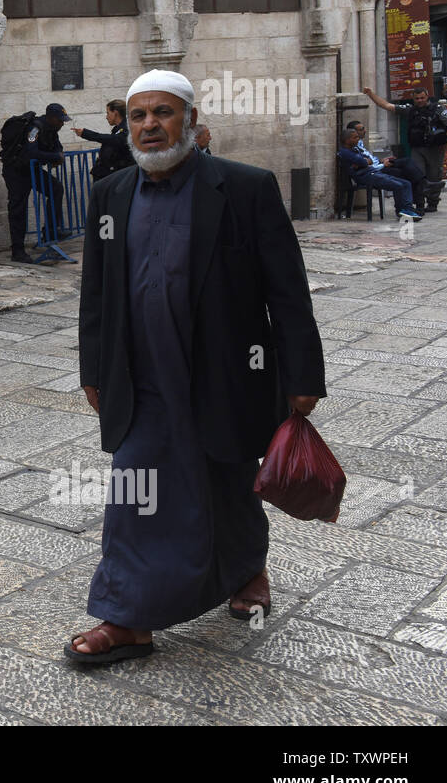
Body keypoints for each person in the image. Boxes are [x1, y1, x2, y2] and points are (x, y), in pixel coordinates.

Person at [70, 69, 325, 664]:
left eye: (163, 113)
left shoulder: (244, 188)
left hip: (230, 370)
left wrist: (302, 375)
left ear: (189, 120)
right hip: (141, 377)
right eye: (138, 115)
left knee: (228, 479)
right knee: (135, 490)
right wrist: (93, 366)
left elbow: (286, 291)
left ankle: (245, 572)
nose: (150, 125)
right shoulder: (111, 193)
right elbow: (97, 292)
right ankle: (126, 617)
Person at [364, 85, 447, 212]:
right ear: (413, 99)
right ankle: (419, 203)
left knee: (434, 176)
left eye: (422, 98)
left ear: (427, 96)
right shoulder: (410, 110)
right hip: (417, 148)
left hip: (435, 148)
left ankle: (433, 203)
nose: (420, 100)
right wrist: (370, 94)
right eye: (417, 98)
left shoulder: (438, 109)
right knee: (417, 175)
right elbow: (387, 106)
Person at [0, 102, 67, 261]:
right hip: (16, 171)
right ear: (51, 118)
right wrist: (55, 157)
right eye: (60, 120)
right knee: (18, 208)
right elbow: (32, 152)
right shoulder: (35, 128)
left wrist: (57, 155)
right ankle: (18, 251)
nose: (62, 124)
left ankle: (50, 232)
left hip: (31, 170)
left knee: (56, 188)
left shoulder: (51, 129)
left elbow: (58, 148)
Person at [337, 126, 421, 220]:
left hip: (372, 172)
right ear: (347, 140)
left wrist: (364, 162)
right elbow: (364, 162)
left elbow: (369, 160)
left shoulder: (355, 149)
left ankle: (406, 210)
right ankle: (404, 210)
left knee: (406, 183)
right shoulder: (345, 152)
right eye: (355, 137)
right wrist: (364, 162)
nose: (358, 139)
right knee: (398, 185)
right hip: (365, 176)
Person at [72, 99, 134, 181]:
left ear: (115, 113)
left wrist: (86, 134)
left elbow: (112, 139)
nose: (106, 117)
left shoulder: (126, 129)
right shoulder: (117, 129)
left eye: (108, 113)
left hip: (116, 177)